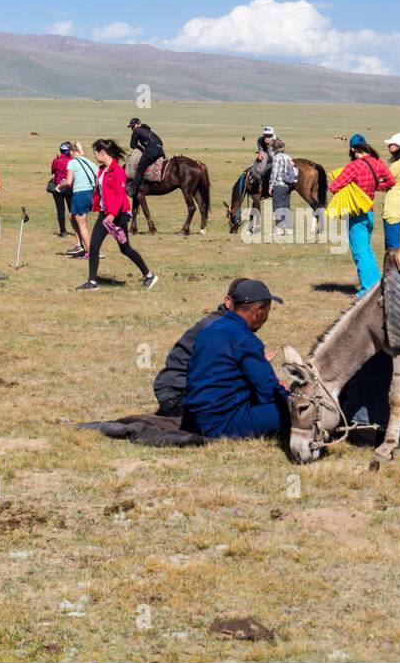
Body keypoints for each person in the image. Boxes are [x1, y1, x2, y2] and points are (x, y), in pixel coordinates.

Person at [180, 279, 290, 439]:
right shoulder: (245, 340)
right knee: (298, 411)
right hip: (222, 422)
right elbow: (269, 392)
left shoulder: (209, 329)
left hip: (194, 418)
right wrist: (292, 398)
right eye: (268, 310)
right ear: (258, 310)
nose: (267, 316)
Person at [153, 278, 246, 416]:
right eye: (245, 307)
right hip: (177, 395)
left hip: (178, 390)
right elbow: (216, 375)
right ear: (228, 302)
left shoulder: (226, 324)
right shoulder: (218, 328)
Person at [76, 139, 157, 291]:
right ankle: (92, 282)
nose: (94, 156)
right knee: (94, 246)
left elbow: (121, 196)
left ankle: (149, 275)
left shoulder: (118, 171)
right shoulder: (102, 170)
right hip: (105, 215)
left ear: (102, 152)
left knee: (125, 248)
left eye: (95, 153)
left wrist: (112, 215)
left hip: (118, 216)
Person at [328, 133, 395, 297]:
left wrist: (351, 188)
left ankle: (366, 290)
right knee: (367, 250)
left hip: (356, 214)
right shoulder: (377, 163)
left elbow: (334, 187)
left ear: (352, 149)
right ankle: (377, 285)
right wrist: (376, 188)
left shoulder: (353, 166)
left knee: (360, 252)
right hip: (369, 213)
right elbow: (391, 181)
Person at [64, 142, 99, 258]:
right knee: (72, 216)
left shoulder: (72, 163)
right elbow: (99, 176)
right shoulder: (90, 162)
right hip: (90, 193)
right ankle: (80, 245)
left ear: (73, 152)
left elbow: (69, 182)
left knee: (82, 224)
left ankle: (90, 252)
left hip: (79, 194)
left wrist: (59, 186)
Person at [126, 117, 165, 198]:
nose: (133, 128)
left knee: (141, 166)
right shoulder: (146, 129)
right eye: (131, 126)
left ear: (139, 124)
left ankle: (133, 188)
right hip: (160, 147)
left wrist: (140, 148)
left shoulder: (137, 130)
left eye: (133, 125)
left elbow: (132, 145)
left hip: (152, 148)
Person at [49, 143, 74, 237]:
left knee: (60, 210)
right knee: (72, 210)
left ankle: (63, 231)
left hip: (58, 188)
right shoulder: (72, 161)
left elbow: (53, 171)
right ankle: (77, 230)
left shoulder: (56, 160)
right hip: (69, 188)